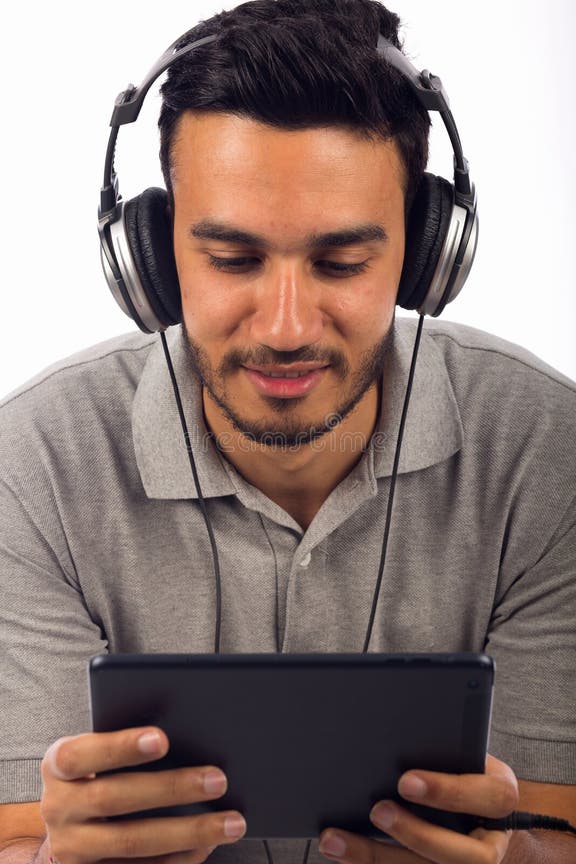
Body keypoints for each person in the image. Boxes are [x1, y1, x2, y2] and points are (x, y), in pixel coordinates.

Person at [0, 1, 575, 863]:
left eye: (341, 263)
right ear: (149, 257)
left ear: (426, 258)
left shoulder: (547, 454)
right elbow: (16, 835)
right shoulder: (32, 463)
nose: (284, 326)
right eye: (232, 260)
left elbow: (557, 827)